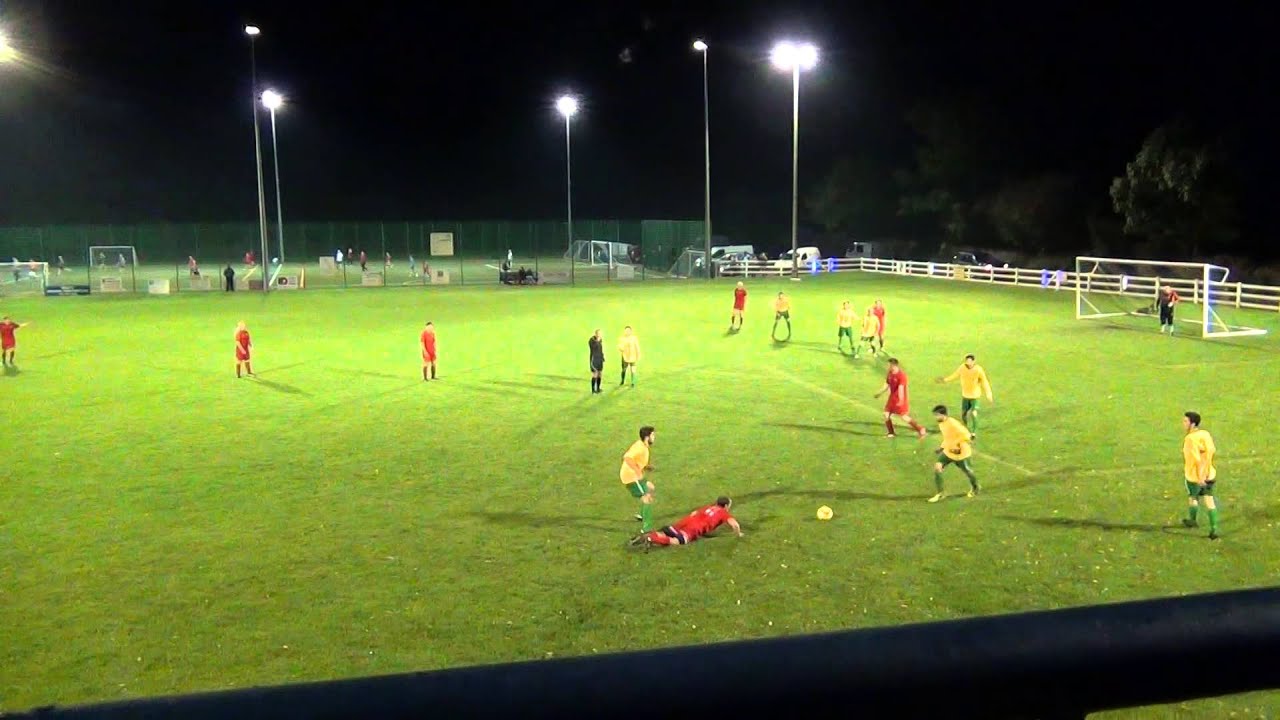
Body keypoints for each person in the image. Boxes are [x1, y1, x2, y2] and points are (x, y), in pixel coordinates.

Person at [630, 496, 743, 548]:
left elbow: (693, 513)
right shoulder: (724, 513)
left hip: (681, 524)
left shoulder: (708, 507)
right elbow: (734, 524)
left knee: (668, 533)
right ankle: (651, 538)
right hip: (691, 530)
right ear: (726, 506)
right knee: (677, 541)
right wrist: (738, 534)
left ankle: (649, 535)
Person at [929, 405, 979, 503]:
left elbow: (967, 435)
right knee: (938, 467)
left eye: (937, 415)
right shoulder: (941, 423)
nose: (935, 417)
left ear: (943, 415)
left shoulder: (953, 423)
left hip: (961, 453)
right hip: (948, 451)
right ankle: (940, 493)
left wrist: (957, 444)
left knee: (967, 471)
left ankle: (975, 488)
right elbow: (948, 437)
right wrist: (941, 448)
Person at [1181, 411, 1219, 539]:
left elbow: (1197, 460)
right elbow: (1211, 451)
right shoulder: (1205, 434)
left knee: (1193, 497)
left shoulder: (1190, 439)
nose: (1183, 424)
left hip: (1195, 476)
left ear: (1192, 424)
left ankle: (1192, 521)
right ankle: (1214, 529)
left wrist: (1200, 476)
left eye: (1186, 421)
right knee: (1209, 500)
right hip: (1210, 474)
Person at [937, 354, 994, 436]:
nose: (968, 363)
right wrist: (945, 380)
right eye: (967, 361)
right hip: (965, 395)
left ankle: (973, 432)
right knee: (963, 414)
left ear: (974, 361)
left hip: (975, 396)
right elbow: (955, 375)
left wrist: (989, 394)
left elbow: (984, 382)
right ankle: (965, 429)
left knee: (973, 413)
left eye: (970, 361)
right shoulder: (962, 368)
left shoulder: (978, 370)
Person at [874, 358, 927, 439]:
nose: (887, 366)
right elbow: (887, 384)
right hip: (892, 398)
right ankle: (891, 433)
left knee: (904, 417)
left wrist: (901, 400)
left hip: (900, 398)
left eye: (888, 365)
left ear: (893, 365)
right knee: (886, 414)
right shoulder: (890, 373)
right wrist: (879, 393)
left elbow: (901, 388)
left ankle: (920, 429)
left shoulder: (901, 376)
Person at [620, 426, 657, 531]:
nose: (654, 437)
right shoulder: (640, 447)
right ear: (647, 437)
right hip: (631, 477)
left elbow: (638, 460)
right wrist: (637, 470)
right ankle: (647, 529)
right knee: (647, 498)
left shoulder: (643, 446)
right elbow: (627, 458)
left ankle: (642, 515)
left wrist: (646, 467)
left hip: (634, 476)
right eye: (653, 435)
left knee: (650, 487)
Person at [588, 329, 605, 394]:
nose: (599, 335)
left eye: (600, 334)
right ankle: (593, 390)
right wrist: (597, 341)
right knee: (595, 374)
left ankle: (598, 388)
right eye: (598, 334)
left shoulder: (600, 339)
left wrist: (602, 357)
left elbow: (601, 349)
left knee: (600, 374)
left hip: (599, 359)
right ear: (595, 334)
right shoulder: (591, 340)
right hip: (594, 359)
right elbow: (593, 348)